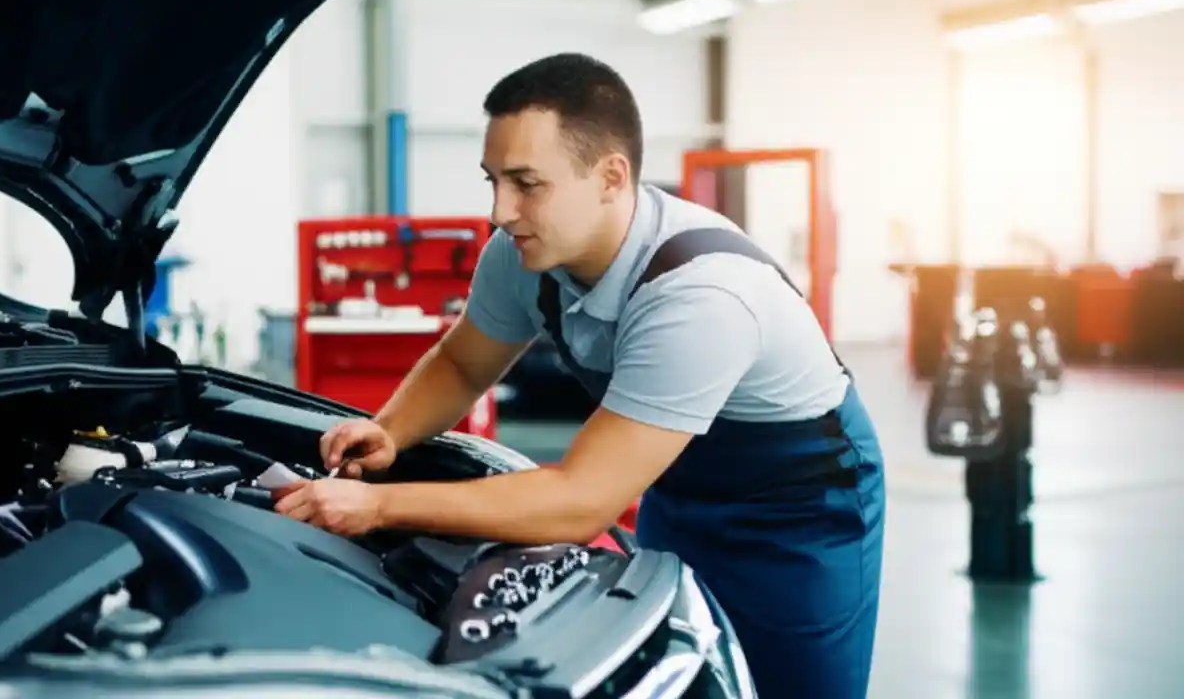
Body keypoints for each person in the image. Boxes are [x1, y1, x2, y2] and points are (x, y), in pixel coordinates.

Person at [273, 52, 886, 698]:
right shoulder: (522, 255)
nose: (500, 211)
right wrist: (391, 432)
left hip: (801, 510)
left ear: (610, 177)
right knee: (683, 673)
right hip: (676, 482)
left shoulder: (703, 294)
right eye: (493, 181)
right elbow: (462, 361)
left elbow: (581, 499)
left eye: (526, 183)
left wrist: (376, 506)